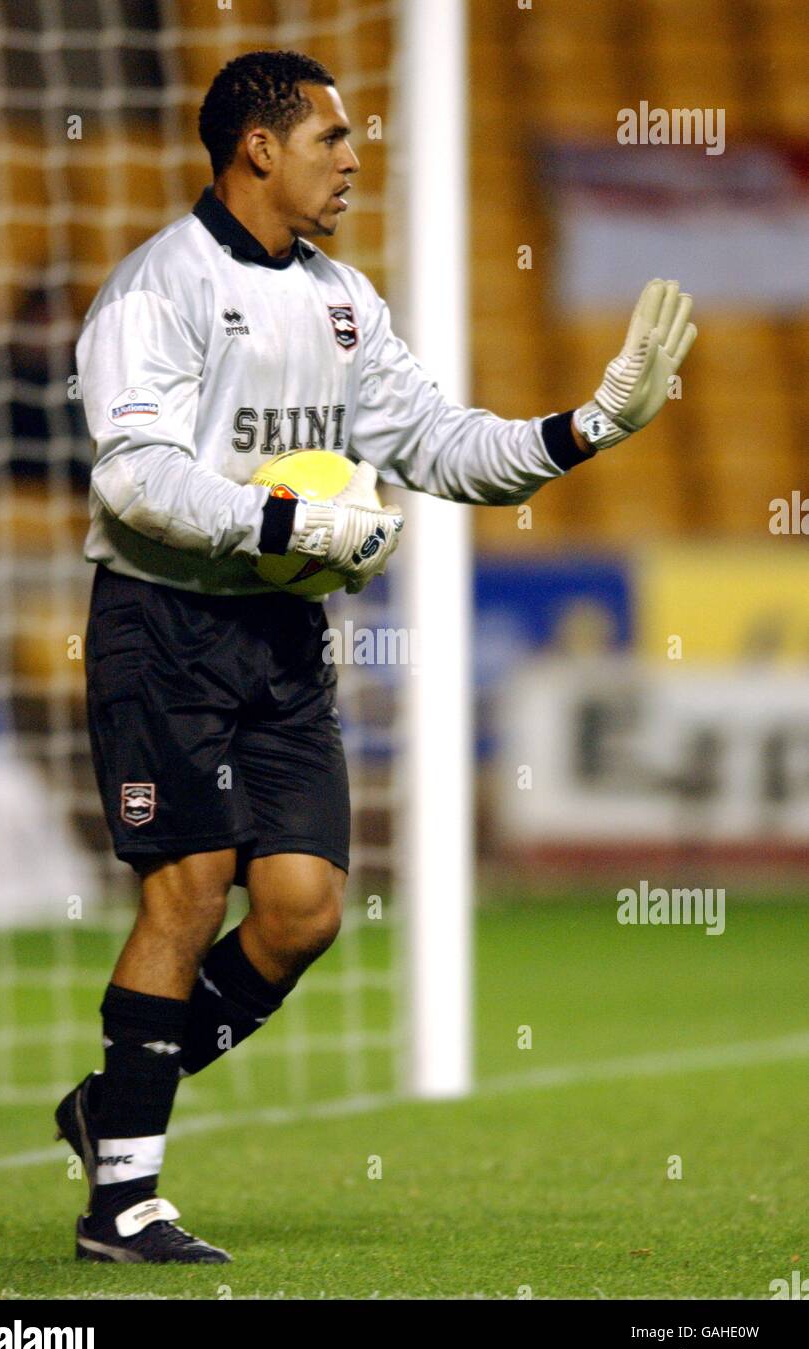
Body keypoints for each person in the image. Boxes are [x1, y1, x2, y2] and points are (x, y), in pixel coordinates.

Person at [57, 48, 696, 1263]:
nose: (353, 161)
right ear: (258, 146)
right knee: (187, 893)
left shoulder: (347, 301)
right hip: (165, 628)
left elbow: (444, 444)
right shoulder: (157, 291)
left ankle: (112, 1102)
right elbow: (134, 478)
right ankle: (122, 1201)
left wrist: (589, 424)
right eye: (330, 141)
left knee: (300, 913)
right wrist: (291, 521)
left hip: (282, 638)